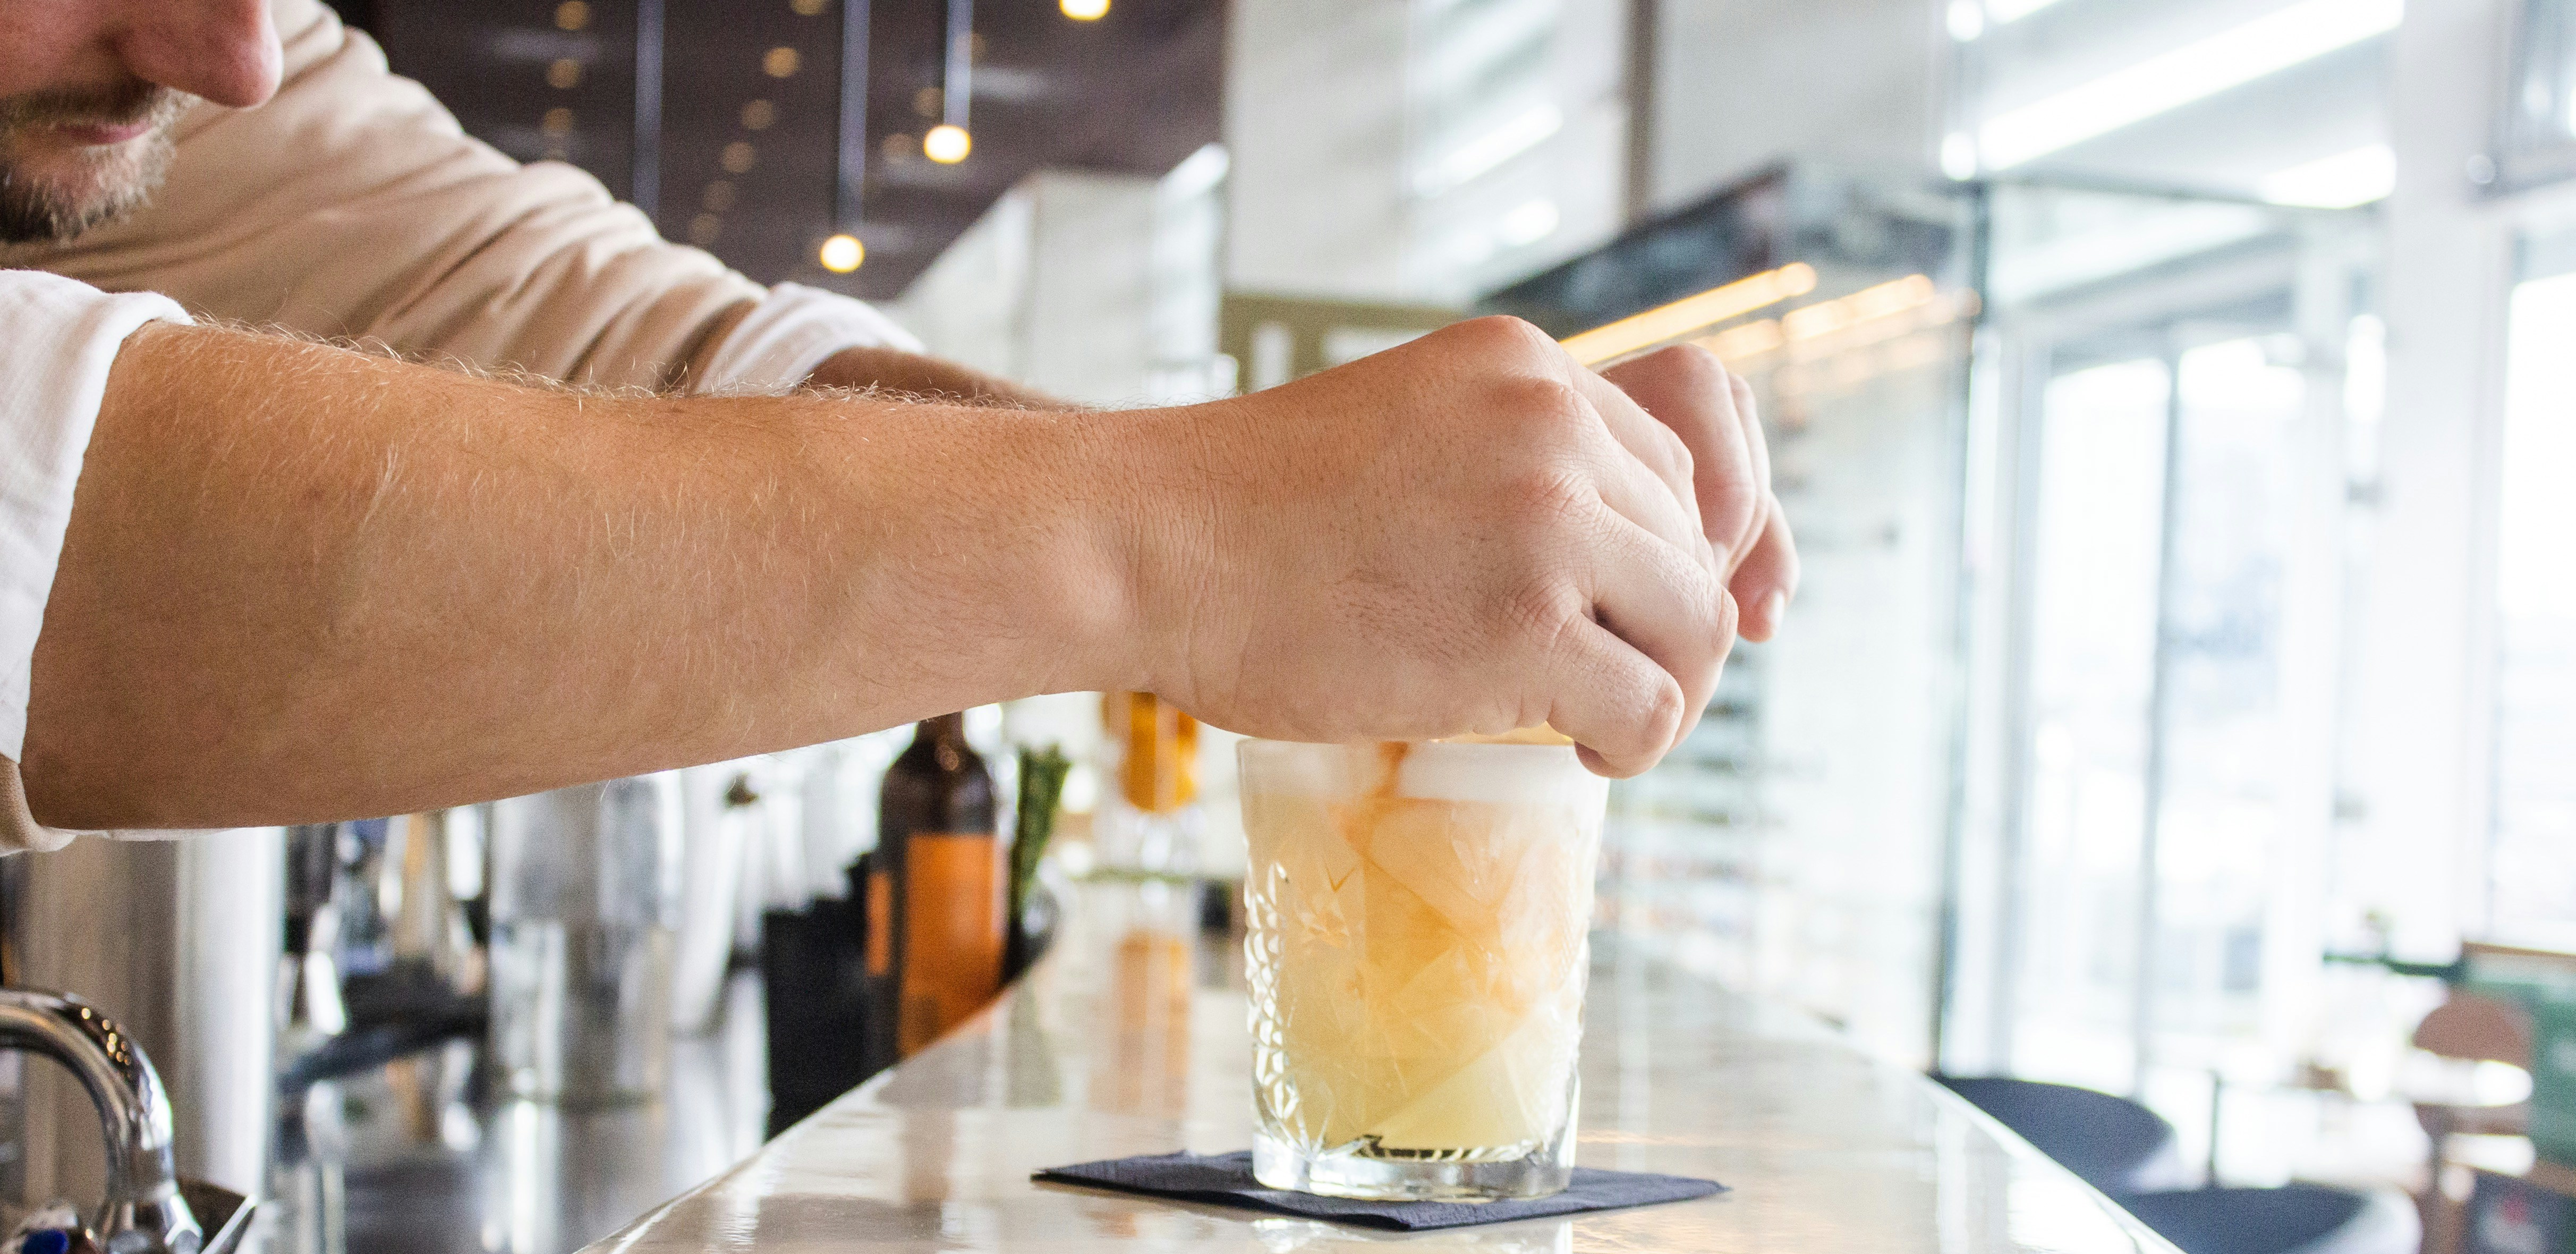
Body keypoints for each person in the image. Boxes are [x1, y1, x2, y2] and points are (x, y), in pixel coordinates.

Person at [0, 0, 1797, 856]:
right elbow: (71, 543)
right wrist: (1178, 540)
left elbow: (632, 345)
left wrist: (1324, 512)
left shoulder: (212, 61)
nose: (224, 52)